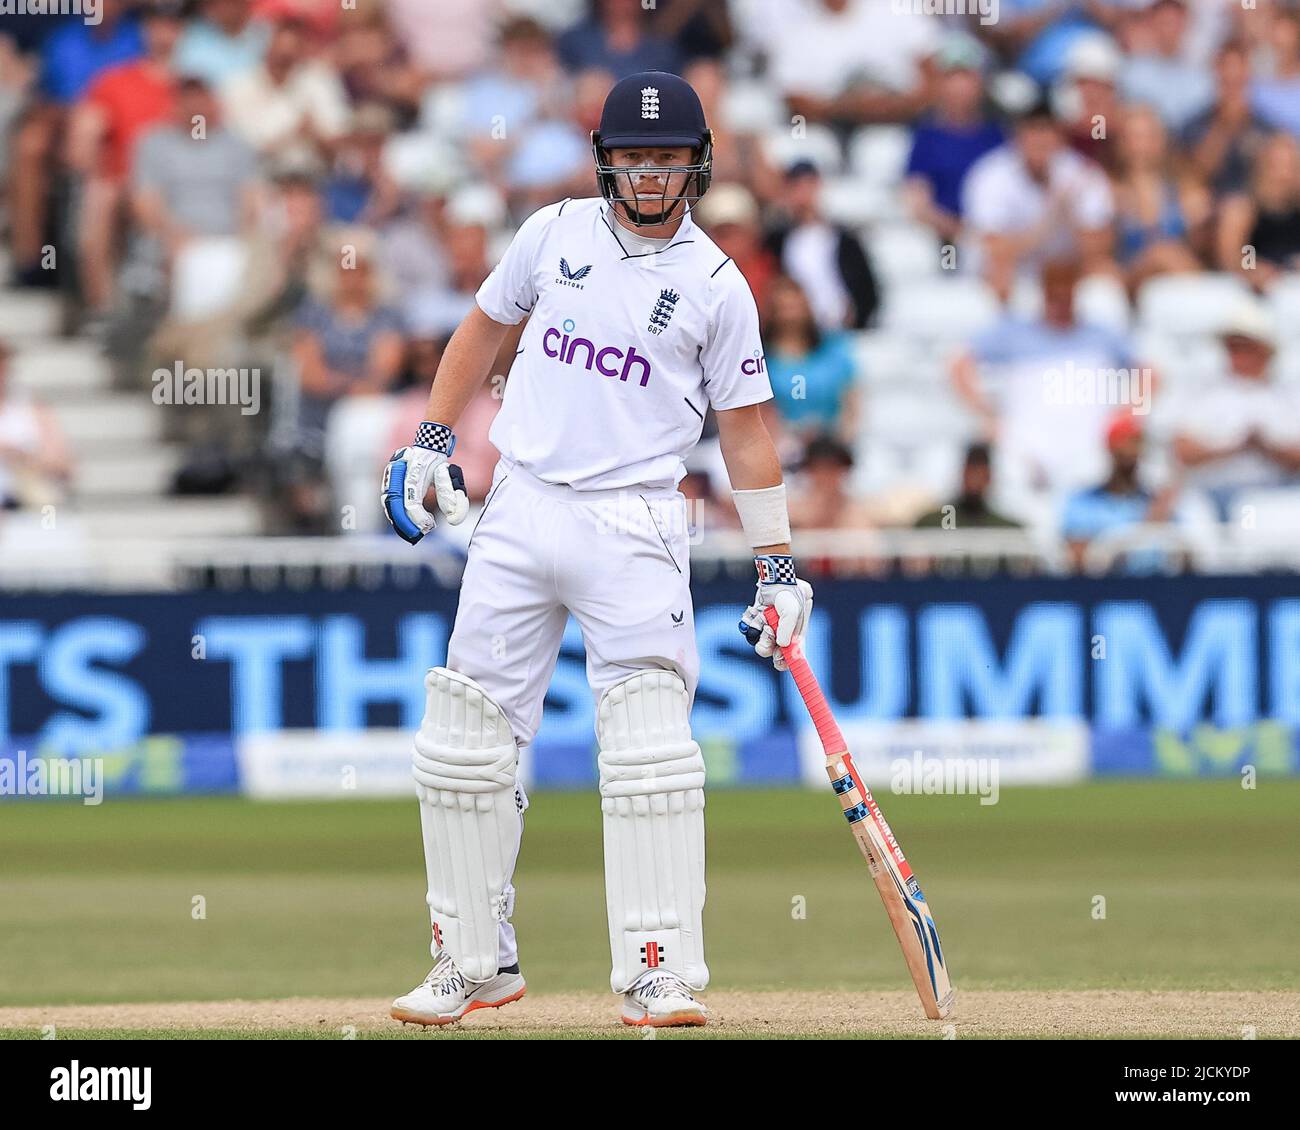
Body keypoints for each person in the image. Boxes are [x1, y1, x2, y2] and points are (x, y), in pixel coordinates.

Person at [380, 71, 809, 1029]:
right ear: (605, 160)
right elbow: (481, 330)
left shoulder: (716, 285)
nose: (648, 173)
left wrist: (778, 561)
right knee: (465, 744)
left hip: (636, 518)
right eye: (631, 155)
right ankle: (470, 962)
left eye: (666, 157)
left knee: (651, 749)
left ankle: (658, 971)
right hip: (522, 502)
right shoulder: (554, 232)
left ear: (695, 164)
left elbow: (745, 432)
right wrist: (433, 437)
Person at [962, 95, 1115, 300]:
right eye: (1032, 130)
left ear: (1060, 135)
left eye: (1047, 130)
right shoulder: (991, 174)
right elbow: (994, 249)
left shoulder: (1083, 172)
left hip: (1064, 271)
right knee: (999, 272)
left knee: (1105, 272)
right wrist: (1050, 218)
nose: (1040, 139)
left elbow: (1099, 247)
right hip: (1015, 269)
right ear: (1017, 135)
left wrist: (1069, 215)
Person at [1171, 302, 1300, 520]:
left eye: (1244, 346)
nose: (1236, 354)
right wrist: (1234, 447)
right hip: (1213, 496)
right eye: (1232, 346)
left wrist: (1266, 447)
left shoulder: (1288, 397)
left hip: (1275, 495)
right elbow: (1183, 451)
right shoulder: (1205, 395)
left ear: (1264, 350)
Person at [766, 160, 878, 331]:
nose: (804, 194)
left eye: (809, 185)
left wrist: (856, 316)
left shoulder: (845, 240)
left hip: (842, 329)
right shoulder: (778, 240)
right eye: (796, 186)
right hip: (797, 331)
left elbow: (866, 288)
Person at [1061, 414, 1178, 574]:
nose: (1133, 451)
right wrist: (1146, 529)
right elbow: (1080, 559)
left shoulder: (1156, 502)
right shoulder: (1083, 502)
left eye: (1138, 443)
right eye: (1128, 442)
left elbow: (1182, 554)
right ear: (1111, 448)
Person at [761, 274, 858, 446]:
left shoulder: (834, 349)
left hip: (831, 446)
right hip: (781, 445)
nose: (790, 315)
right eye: (783, 308)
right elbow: (763, 412)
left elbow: (851, 401)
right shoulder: (760, 358)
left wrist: (840, 444)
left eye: (794, 307)